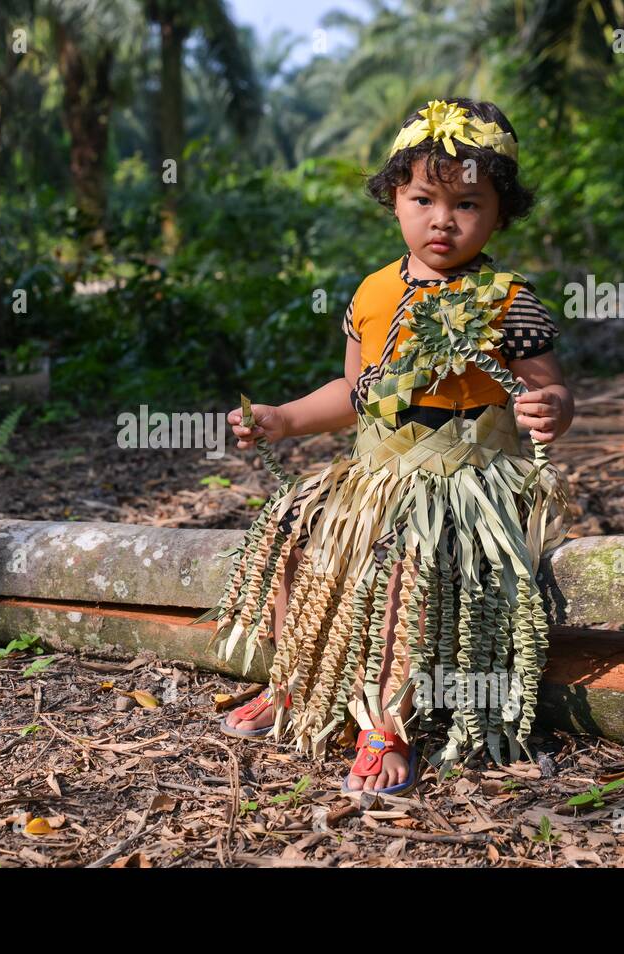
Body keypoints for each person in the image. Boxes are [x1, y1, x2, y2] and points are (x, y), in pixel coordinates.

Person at [198, 98, 575, 796]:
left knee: (405, 563)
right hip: (375, 471)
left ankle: (386, 722)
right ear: (394, 200)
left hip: (460, 481)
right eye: (424, 198)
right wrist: (282, 418)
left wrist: (549, 408)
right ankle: (298, 682)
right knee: (292, 532)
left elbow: (549, 391)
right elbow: (354, 392)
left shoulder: (507, 297)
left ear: (499, 213)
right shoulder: (372, 292)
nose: (443, 219)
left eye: (468, 203)